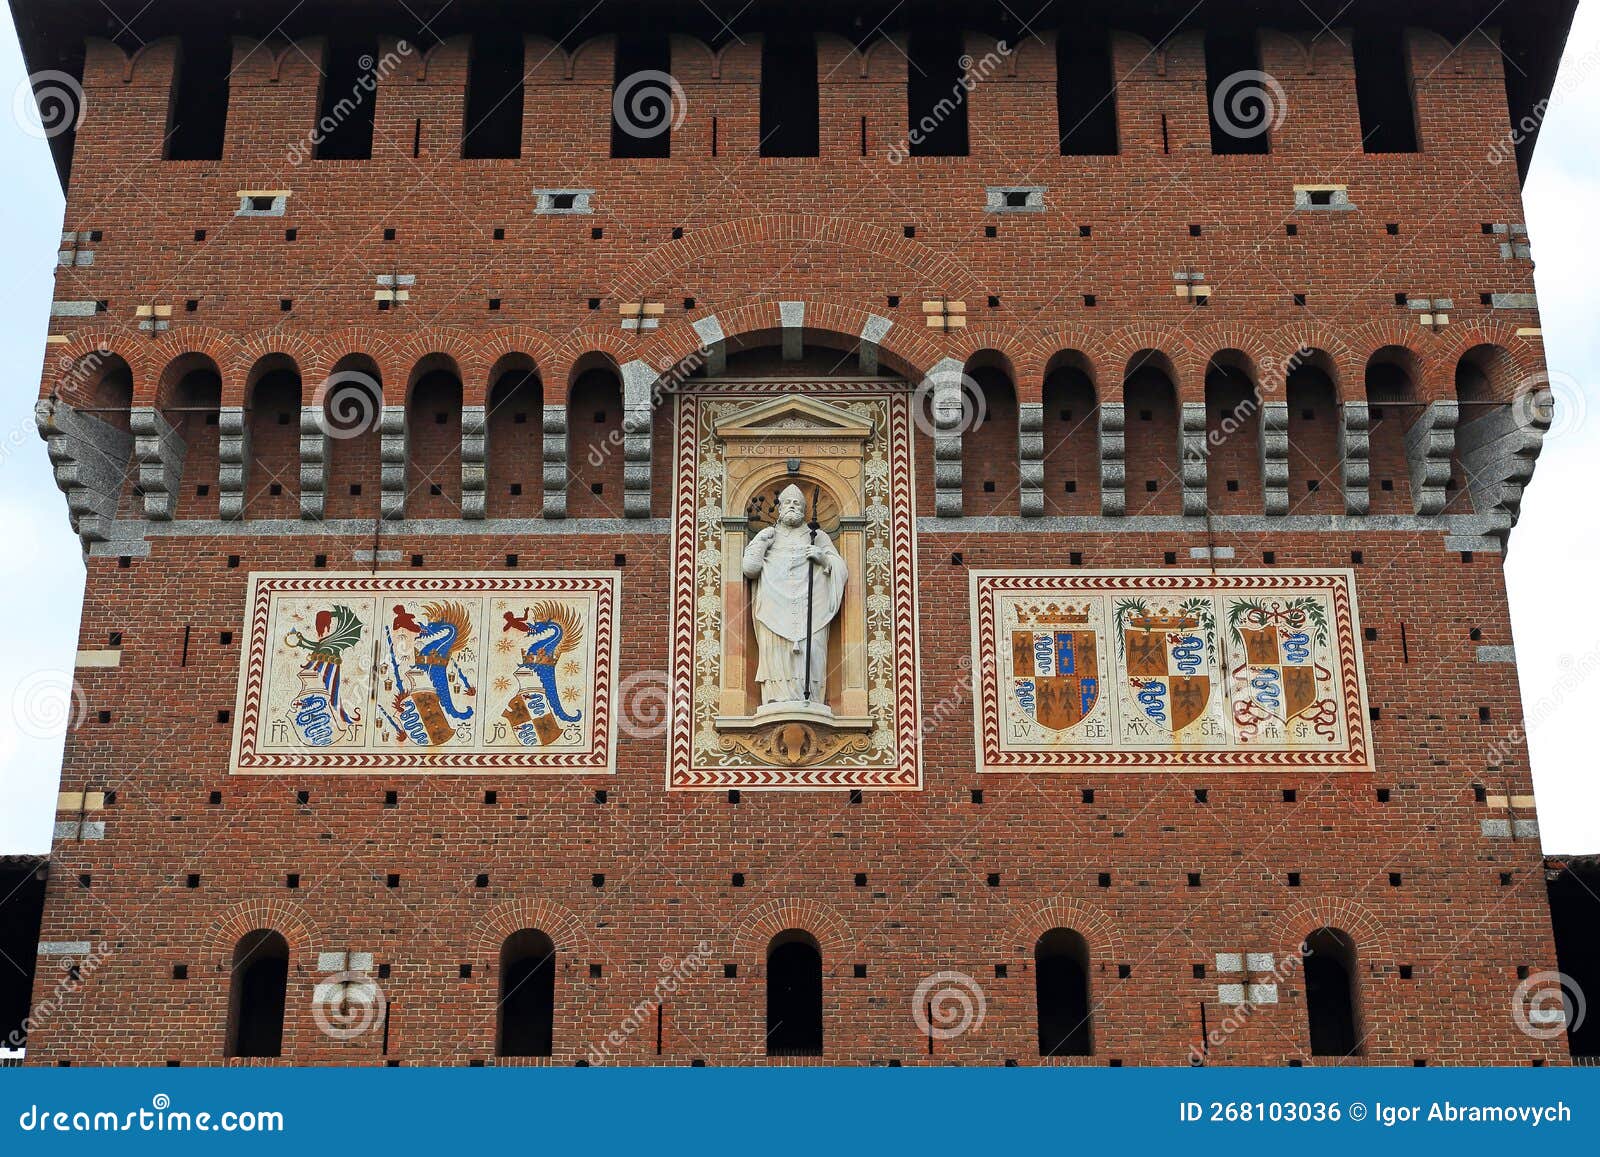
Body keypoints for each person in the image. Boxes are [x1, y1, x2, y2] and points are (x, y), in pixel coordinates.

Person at [741, 484, 847, 707]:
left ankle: (812, 699)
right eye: (787, 502)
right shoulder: (768, 535)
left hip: (812, 608)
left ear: (804, 509)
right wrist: (761, 543)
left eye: (797, 503)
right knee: (776, 653)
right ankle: (775, 698)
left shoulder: (816, 536)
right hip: (773, 607)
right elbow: (750, 568)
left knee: (812, 652)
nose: (792, 506)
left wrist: (823, 558)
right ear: (779, 508)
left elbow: (840, 568)